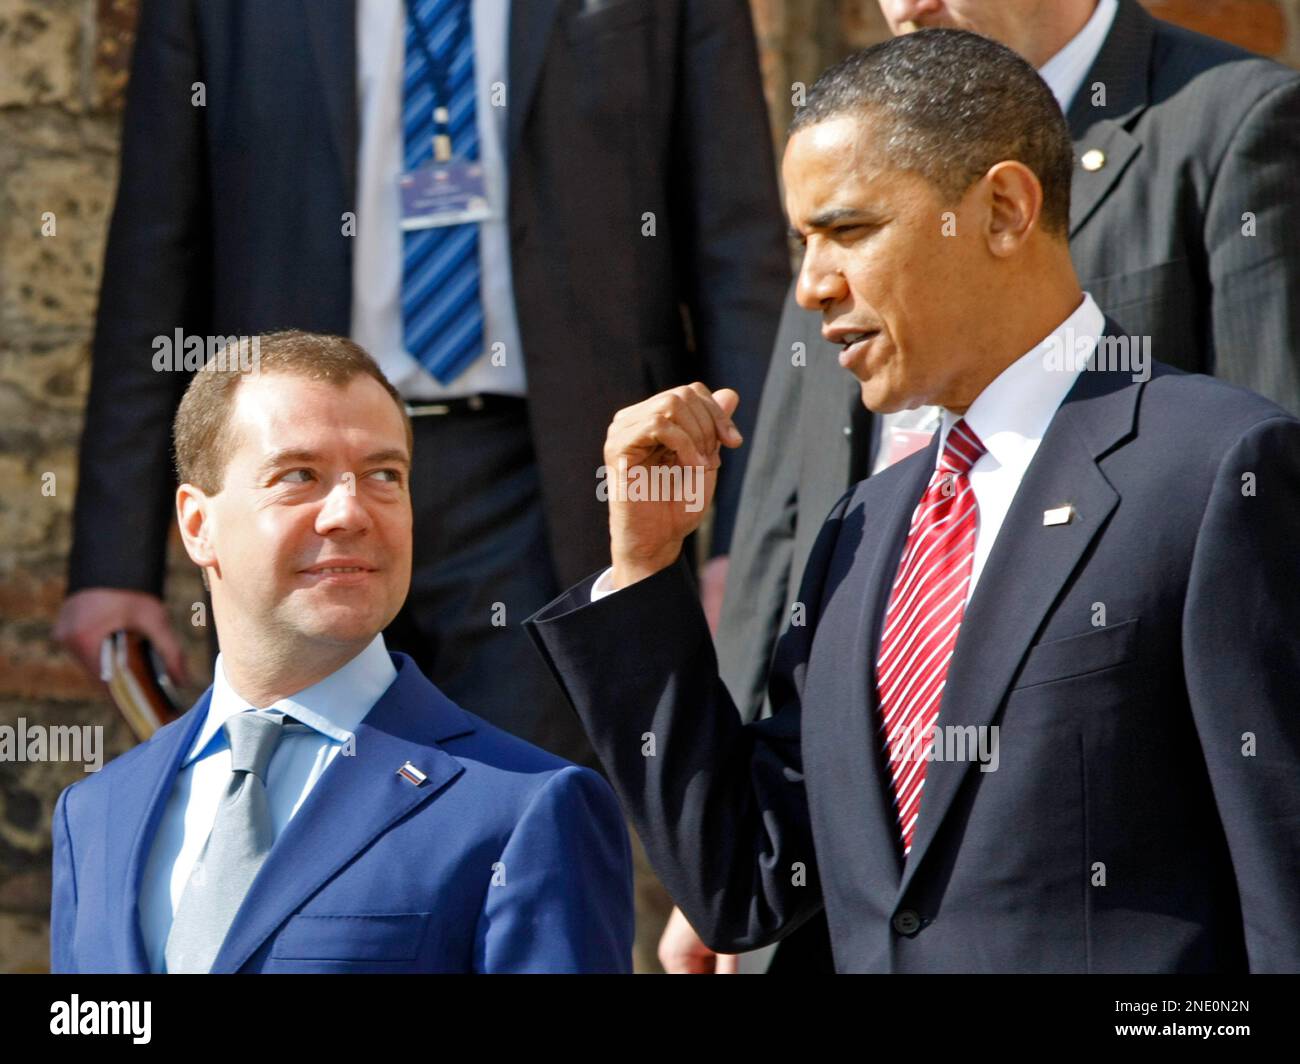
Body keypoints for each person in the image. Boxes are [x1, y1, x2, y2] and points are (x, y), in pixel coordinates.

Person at [526, 30, 1300, 972]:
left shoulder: (1216, 470)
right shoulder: (860, 531)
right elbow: (745, 881)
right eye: (801, 243)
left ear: (1005, 210)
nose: (811, 285)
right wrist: (645, 570)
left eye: (848, 231)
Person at [54, 0, 788, 770]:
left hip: (548, 491)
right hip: (302, 481)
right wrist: (113, 563)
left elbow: (736, 252)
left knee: (521, 817)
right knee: (308, 820)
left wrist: (749, 540)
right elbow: (154, 254)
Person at [51, 332, 633, 973]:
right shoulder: (95, 814)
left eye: (384, 475)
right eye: (298, 476)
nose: (348, 512)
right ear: (198, 525)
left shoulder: (525, 807)